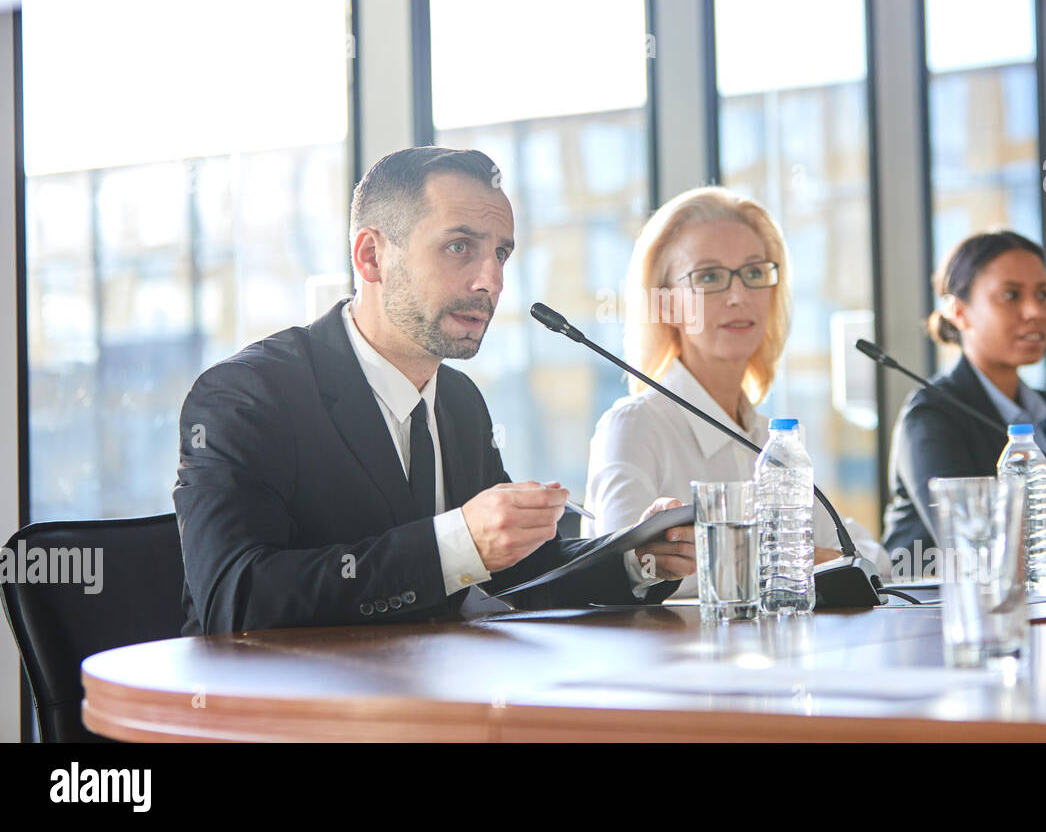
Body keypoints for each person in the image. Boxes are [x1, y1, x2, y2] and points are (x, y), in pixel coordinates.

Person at [175, 147, 695, 635]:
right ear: (372, 256)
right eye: (459, 247)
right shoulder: (246, 396)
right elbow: (234, 601)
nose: (490, 279)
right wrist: (456, 545)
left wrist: (635, 559)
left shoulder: (460, 402)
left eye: (501, 254)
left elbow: (519, 572)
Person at [585, 186, 889, 597]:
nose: (738, 296)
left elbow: (869, 556)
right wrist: (789, 558)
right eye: (708, 277)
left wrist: (775, 557)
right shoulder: (635, 426)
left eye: (753, 273)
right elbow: (621, 571)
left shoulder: (773, 441)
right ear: (667, 304)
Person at [882, 230, 1046, 573]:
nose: (1035, 311)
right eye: (1011, 295)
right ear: (959, 311)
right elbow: (971, 542)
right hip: (931, 615)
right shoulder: (930, 416)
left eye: (1043, 295)